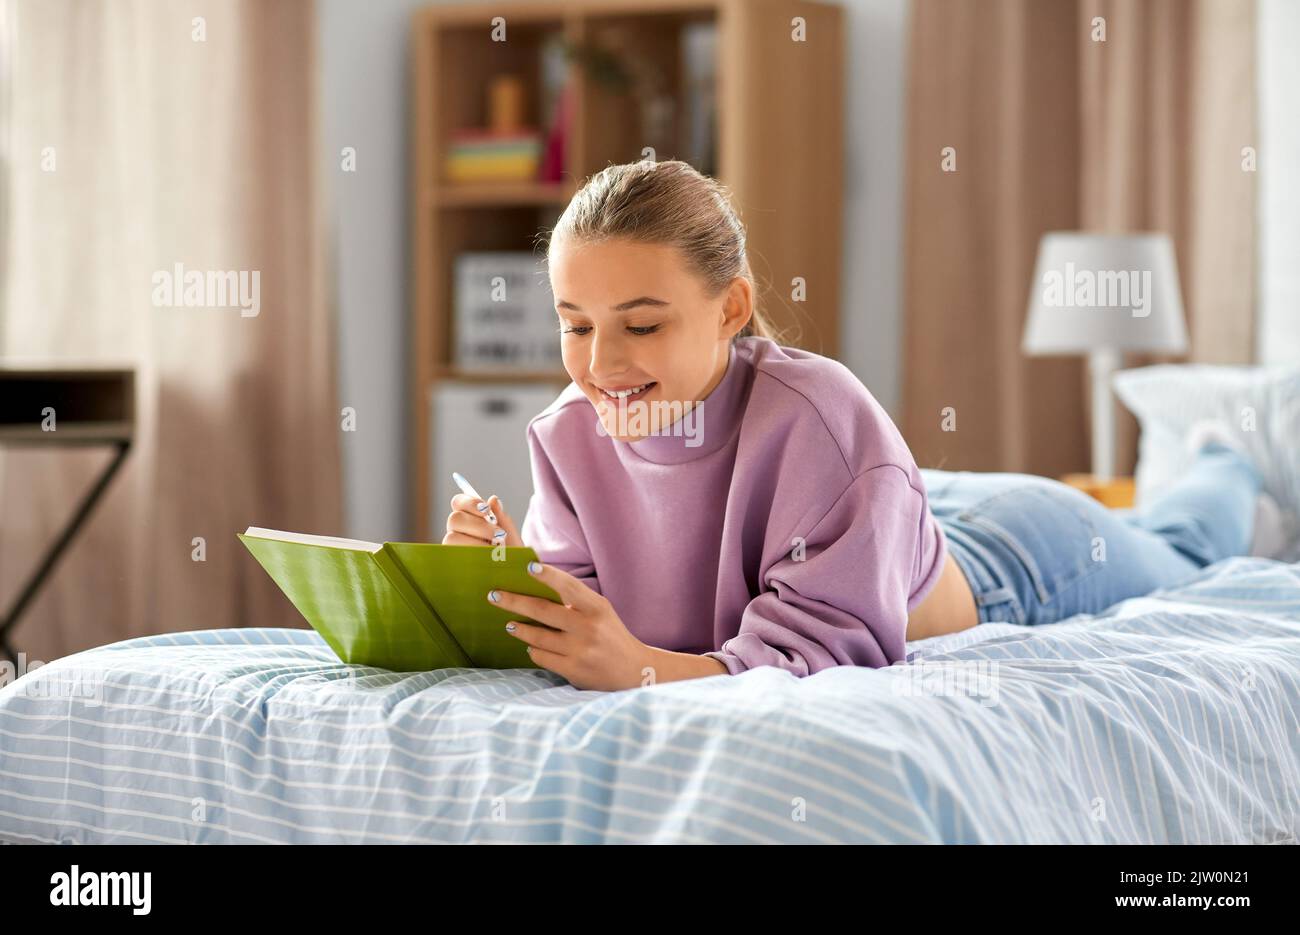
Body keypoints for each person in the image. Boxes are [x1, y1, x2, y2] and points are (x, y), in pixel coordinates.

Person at [442, 160, 1276, 692]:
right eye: (577, 325)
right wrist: (502, 580)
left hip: (1011, 559)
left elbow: (817, 649)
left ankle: (1223, 456)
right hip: (891, 508)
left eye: (643, 324)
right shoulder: (565, 434)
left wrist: (645, 672)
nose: (603, 364)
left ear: (730, 308)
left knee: (1183, 549)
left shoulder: (815, 414)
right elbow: (598, 620)